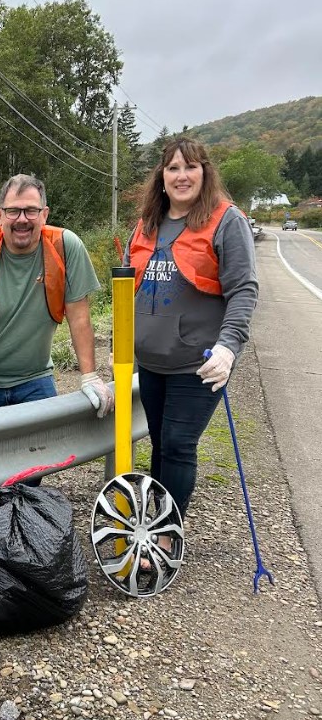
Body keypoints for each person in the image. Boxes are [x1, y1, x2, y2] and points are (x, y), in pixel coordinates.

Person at [126, 137, 258, 522]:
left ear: (204, 172)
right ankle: (154, 521)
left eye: (190, 167)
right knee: (160, 446)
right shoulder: (147, 224)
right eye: (173, 168)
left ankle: (167, 531)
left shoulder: (226, 220)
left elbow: (244, 289)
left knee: (179, 445)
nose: (181, 176)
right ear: (161, 177)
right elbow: (128, 285)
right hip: (150, 362)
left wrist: (228, 348)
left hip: (197, 363)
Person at [0, 173, 114, 425]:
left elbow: (80, 317)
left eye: (31, 211)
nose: (22, 219)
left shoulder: (65, 247)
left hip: (34, 378)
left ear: (44, 214)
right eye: (13, 211)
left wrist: (89, 377)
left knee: (45, 458)